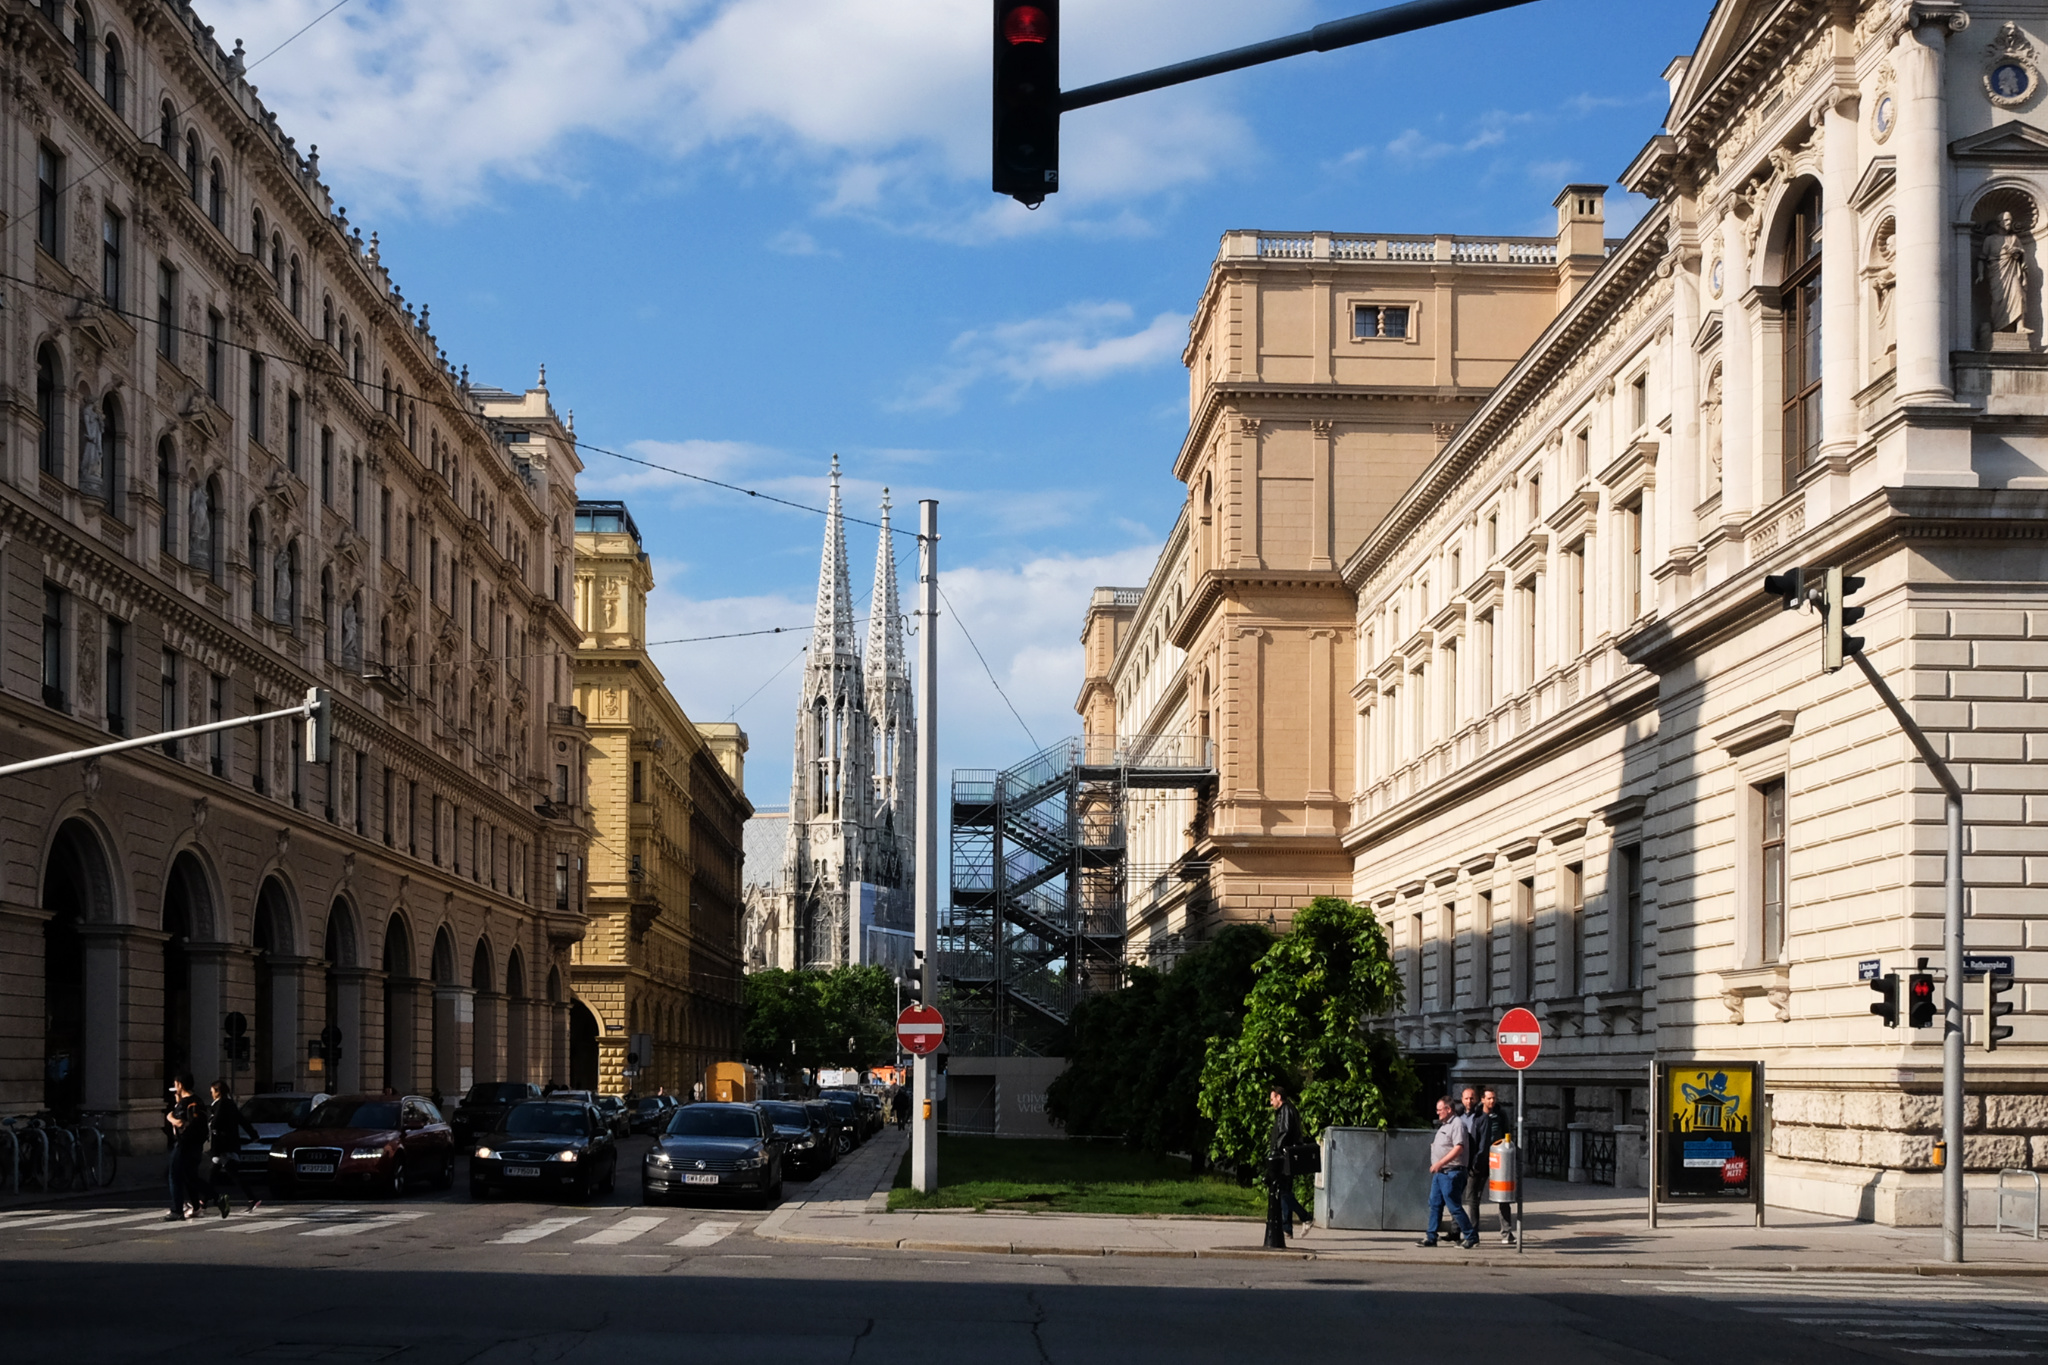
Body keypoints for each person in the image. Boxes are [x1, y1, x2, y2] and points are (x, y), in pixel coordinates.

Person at [1417, 1095, 1477, 1249]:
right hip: (1441, 1173)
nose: (1437, 1113)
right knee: (1435, 1204)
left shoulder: (1457, 1124)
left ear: (1448, 1109)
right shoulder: (1445, 1125)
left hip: (1451, 1172)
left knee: (1454, 1206)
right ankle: (1431, 1236)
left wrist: (1440, 1163)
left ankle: (1471, 1236)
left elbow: (1459, 1147)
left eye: (1439, 1110)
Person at [1263, 1087, 1312, 1248]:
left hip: (1284, 1157)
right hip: (1289, 1156)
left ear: (1279, 1097)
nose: (1271, 1102)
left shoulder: (1285, 1110)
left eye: (1272, 1099)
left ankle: (1305, 1216)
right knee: (1286, 1190)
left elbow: (1283, 1132)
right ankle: (1287, 1228)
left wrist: (1276, 1153)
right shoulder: (1291, 1109)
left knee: (1283, 1192)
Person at [207, 1080, 263, 1217]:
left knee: (229, 1174)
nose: (211, 1094)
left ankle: (252, 1199)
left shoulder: (221, 1104)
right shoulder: (229, 1103)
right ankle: (202, 1202)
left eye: (212, 1091)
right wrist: (253, 1134)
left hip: (222, 1145)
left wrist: (209, 1124)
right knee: (216, 1175)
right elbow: (241, 1120)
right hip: (226, 1144)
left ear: (217, 1091)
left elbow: (216, 1123)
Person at [164, 1074, 213, 1222]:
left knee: (173, 1175)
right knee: (190, 1176)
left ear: (180, 1085)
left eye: (176, 1084)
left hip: (184, 1144)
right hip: (196, 1144)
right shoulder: (198, 1100)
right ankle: (201, 1204)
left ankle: (177, 1209)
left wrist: (169, 1116)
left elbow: (180, 1123)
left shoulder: (185, 1103)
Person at [1477, 1087, 1516, 1245]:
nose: (1492, 1101)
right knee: (1474, 1197)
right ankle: (1472, 1233)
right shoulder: (1477, 1114)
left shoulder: (1500, 1114)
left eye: (1494, 1098)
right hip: (1481, 1159)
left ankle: (1506, 1233)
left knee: (1503, 1198)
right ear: (1483, 1100)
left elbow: (1507, 1132)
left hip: (1498, 1160)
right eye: (1488, 1098)